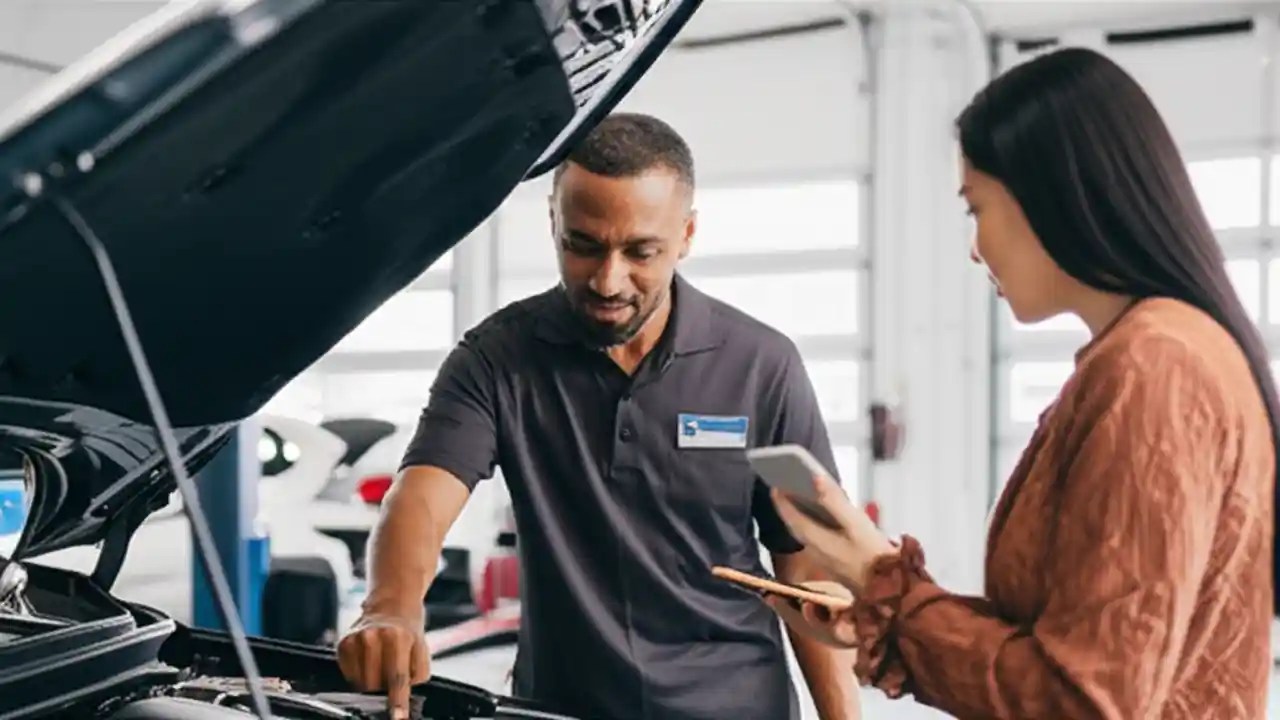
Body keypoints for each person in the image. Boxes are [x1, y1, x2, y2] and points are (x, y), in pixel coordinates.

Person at [765, 46, 1279, 720]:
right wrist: (886, 617)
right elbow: (1071, 648)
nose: (975, 247)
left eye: (975, 208)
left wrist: (879, 581)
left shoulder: (1154, 367)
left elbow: (1086, 700)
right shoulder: (1157, 351)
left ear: (1052, 196)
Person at [336, 112, 862, 720]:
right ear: (553, 224)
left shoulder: (764, 366)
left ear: (686, 236)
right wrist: (390, 607)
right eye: (582, 246)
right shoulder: (495, 360)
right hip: (562, 710)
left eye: (641, 251)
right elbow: (422, 497)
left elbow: (805, 562)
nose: (609, 281)